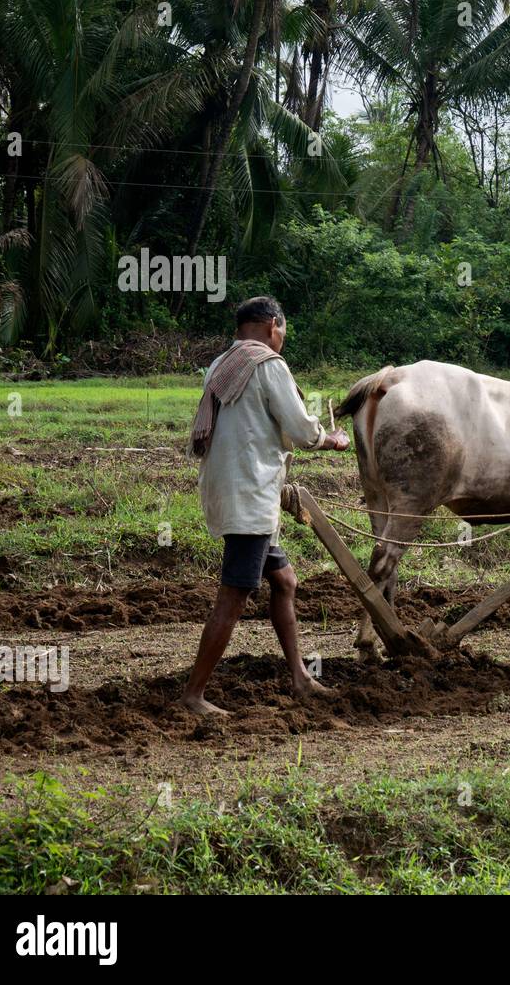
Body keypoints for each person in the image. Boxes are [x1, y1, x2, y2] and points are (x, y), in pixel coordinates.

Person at [181, 296, 350, 715]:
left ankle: (299, 677)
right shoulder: (267, 365)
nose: (283, 340)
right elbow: (297, 426)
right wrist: (332, 439)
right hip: (251, 496)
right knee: (234, 596)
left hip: (232, 487)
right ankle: (193, 695)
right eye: (283, 333)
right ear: (274, 324)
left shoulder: (222, 364)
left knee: (285, 582)